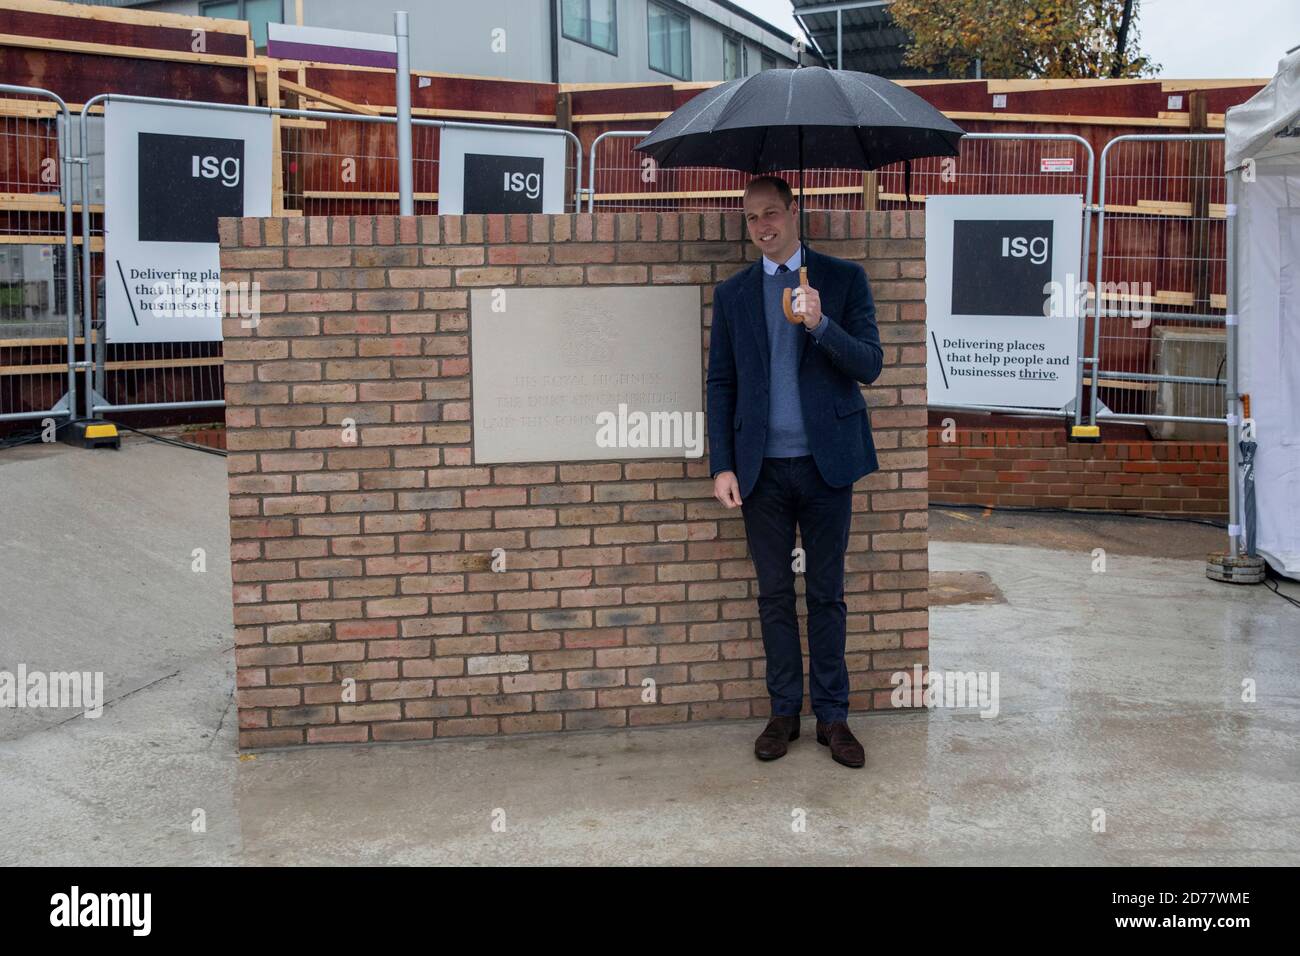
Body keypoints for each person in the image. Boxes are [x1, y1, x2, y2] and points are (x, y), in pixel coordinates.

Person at [706, 175, 884, 769]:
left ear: (794, 211)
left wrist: (820, 324)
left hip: (827, 465)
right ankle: (785, 711)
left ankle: (833, 716)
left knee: (826, 594)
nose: (763, 228)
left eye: (772, 214)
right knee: (775, 594)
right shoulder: (733, 296)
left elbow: (871, 366)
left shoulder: (841, 279)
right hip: (761, 471)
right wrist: (722, 464)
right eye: (753, 218)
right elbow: (722, 383)